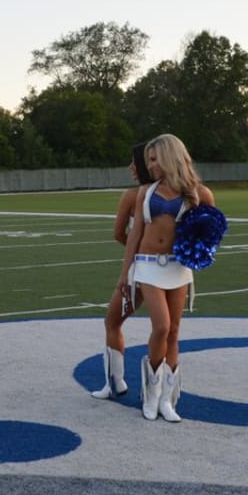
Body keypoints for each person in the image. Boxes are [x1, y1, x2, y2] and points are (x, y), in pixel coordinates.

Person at [118, 134, 215, 422]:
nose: (150, 165)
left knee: (174, 332)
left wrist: (199, 253)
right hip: (148, 265)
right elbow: (135, 233)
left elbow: (210, 232)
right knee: (161, 326)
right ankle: (150, 394)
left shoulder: (198, 194)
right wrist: (126, 273)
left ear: (169, 157)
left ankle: (167, 400)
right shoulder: (146, 193)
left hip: (177, 267)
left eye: (153, 158)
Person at [91, 141, 155, 399]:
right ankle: (157, 394)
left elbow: (119, 233)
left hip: (140, 270)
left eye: (134, 161)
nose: (130, 167)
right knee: (166, 329)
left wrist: (138, 250)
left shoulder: (133, 195)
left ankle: (115, 382)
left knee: (113, 321)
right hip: (169, 270)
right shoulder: (172, 192)